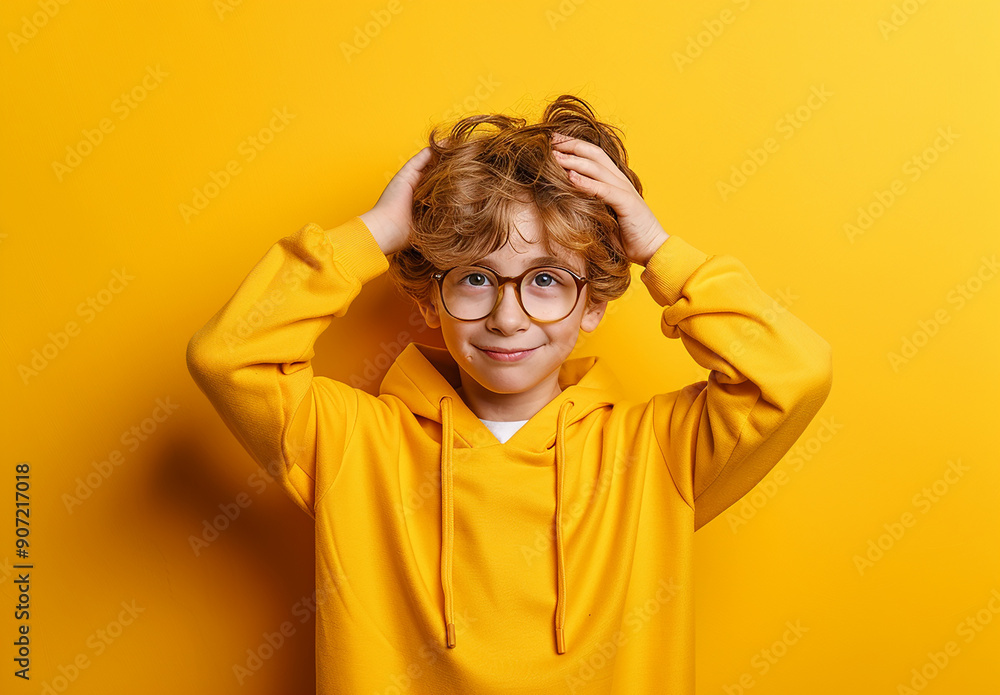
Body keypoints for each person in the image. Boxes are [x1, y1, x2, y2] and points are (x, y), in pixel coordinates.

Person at [185, 94, 833, 694]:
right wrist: (378, 229)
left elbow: (792, 371)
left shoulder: (657, 453)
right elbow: (229, 353)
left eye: (546, 279)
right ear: (430, 296)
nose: (508, 314)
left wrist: (659, 249)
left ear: (594, 302)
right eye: (474, 278)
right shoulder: (352, 440)